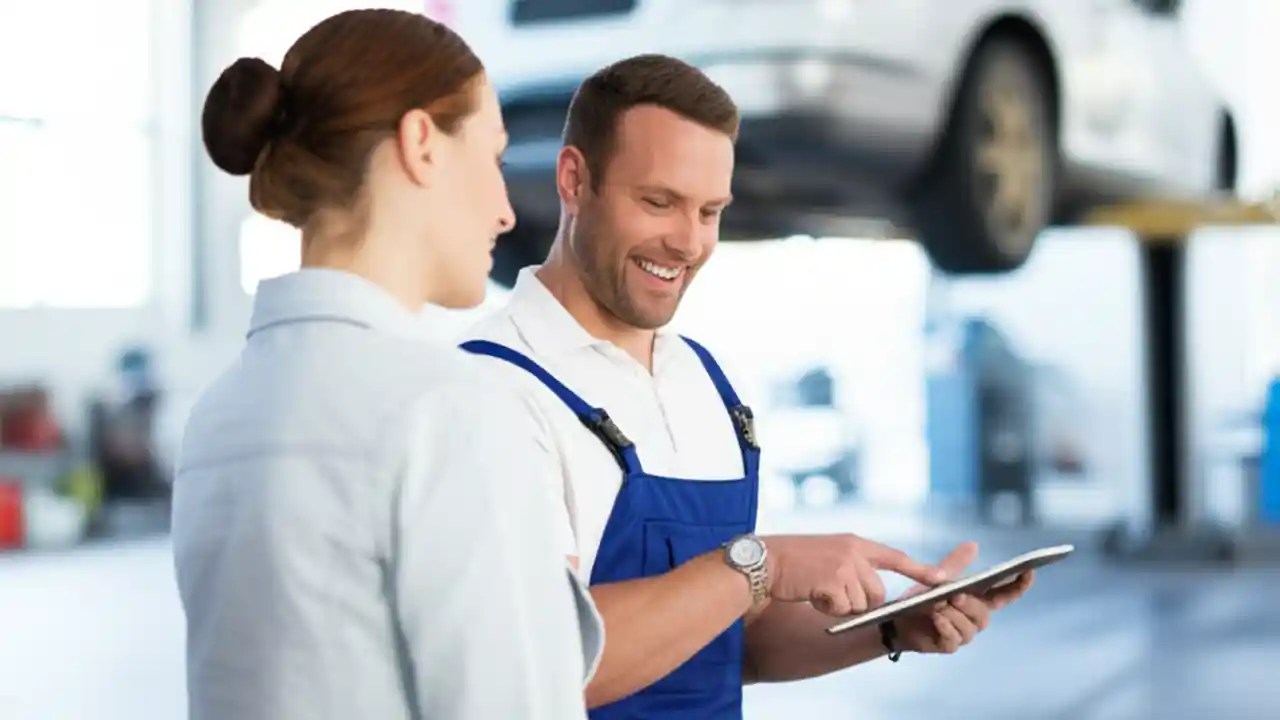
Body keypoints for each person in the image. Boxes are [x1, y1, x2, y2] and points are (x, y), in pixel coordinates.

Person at [464, 54, 1035, 718]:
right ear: (573, 179)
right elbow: (543, 660)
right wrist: (751, 565)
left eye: (710, 212)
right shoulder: (492, 388)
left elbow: (734, 640)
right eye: (658, 202)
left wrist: (893, 627)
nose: (687, 242)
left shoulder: (702, 383)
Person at [172, 10, 601, 720]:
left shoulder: (218, 413)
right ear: (422, 143)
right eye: (492, 158)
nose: (504, 210)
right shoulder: (449, 408)